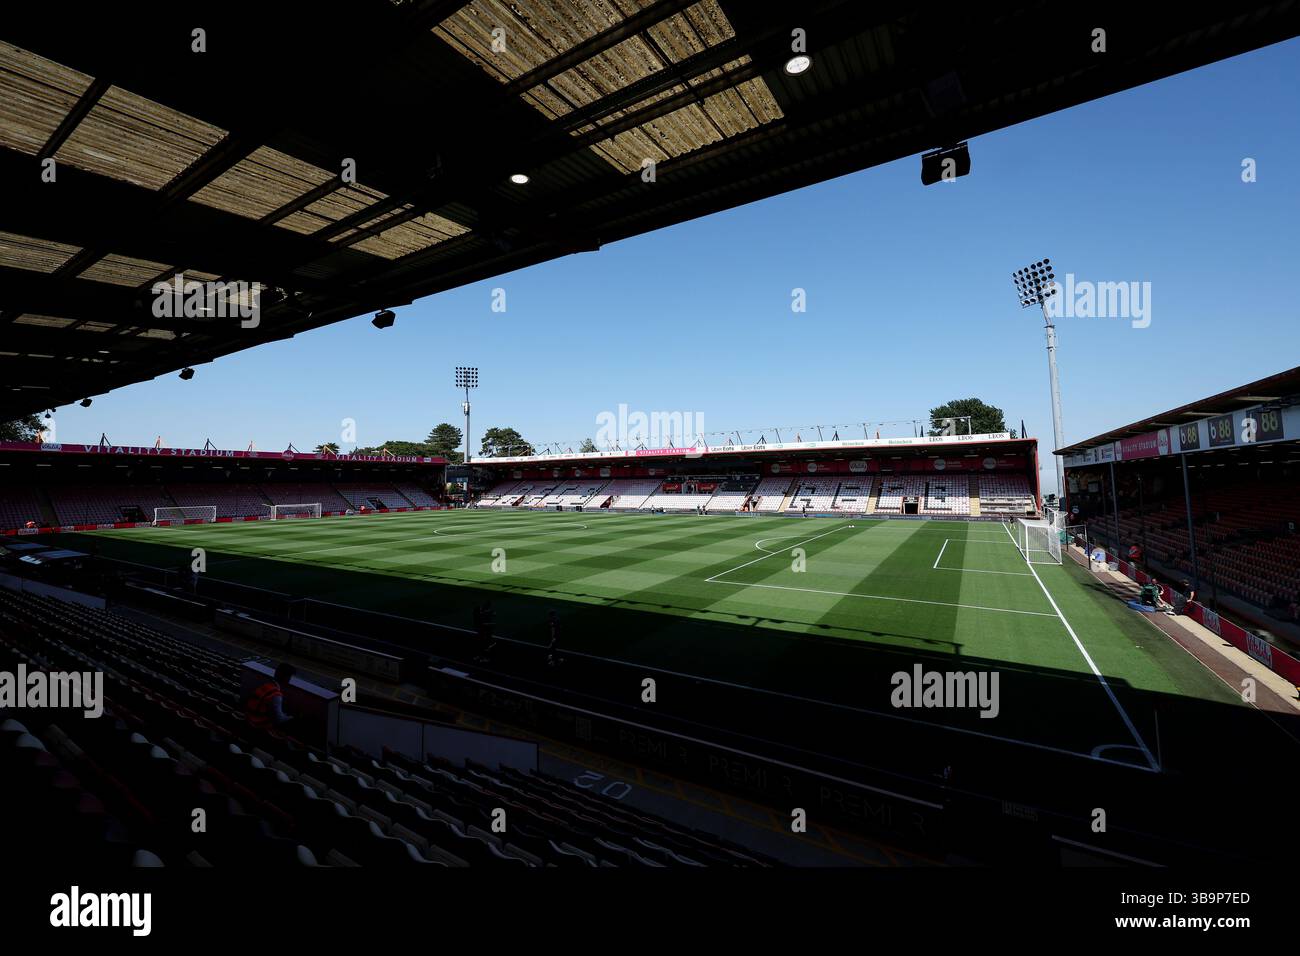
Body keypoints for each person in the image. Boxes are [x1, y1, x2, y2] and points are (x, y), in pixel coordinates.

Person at [245, 663, 295, 730]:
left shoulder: (265, 685)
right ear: (287, 678)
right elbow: (279, 720)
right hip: (258, 726)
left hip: (249, 719)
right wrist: (291, 717)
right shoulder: (276, 695)